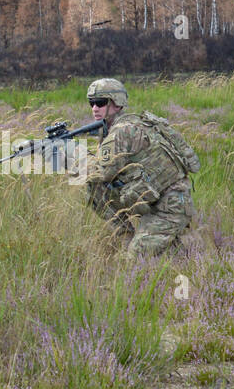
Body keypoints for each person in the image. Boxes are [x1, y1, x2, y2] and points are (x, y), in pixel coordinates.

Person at [80, 78, 200, 260]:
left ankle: (190, 243)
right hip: (154, 198)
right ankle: (128, 238)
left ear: (117, 103)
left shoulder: (121, 131)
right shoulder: (126, 124)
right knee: (94, 188)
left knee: (135, 259)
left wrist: (72, 160)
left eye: (100, 102)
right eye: (91, 103)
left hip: (170, 207)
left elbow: (104, 172)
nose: (94, 108)